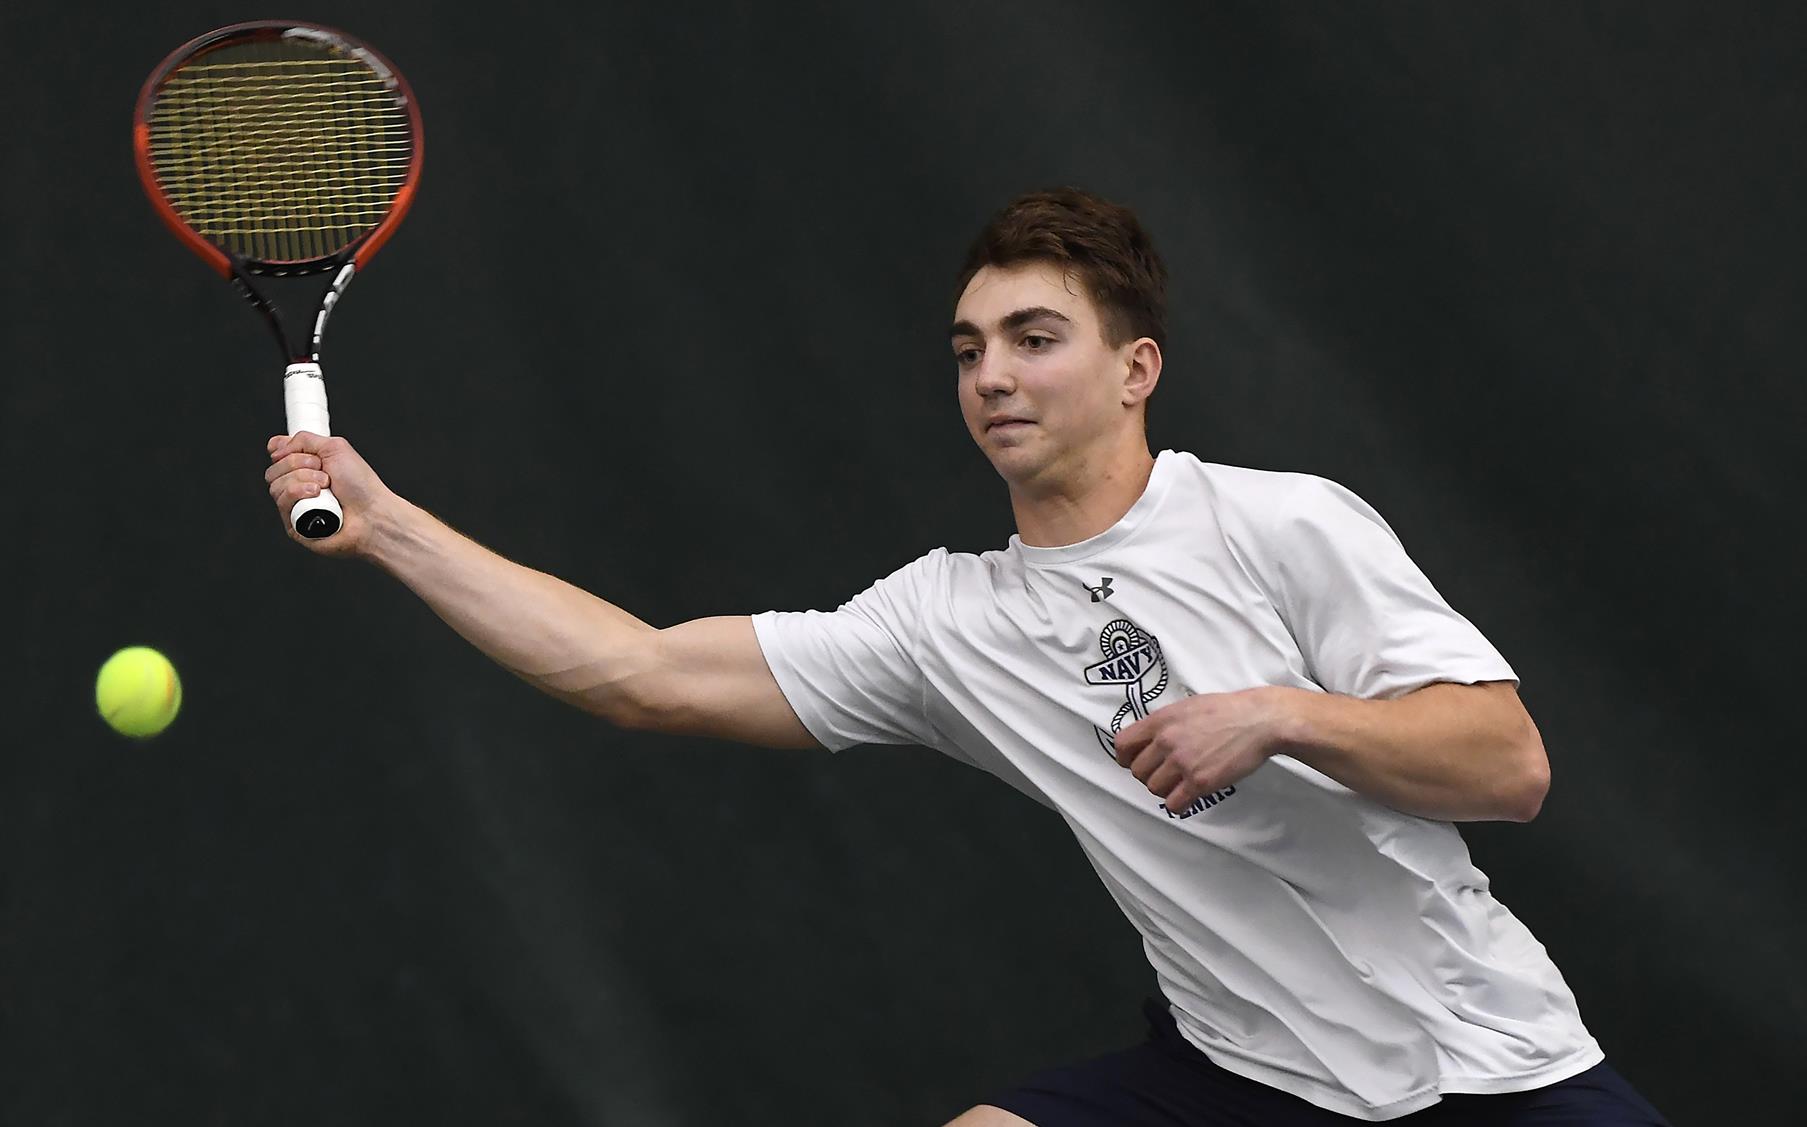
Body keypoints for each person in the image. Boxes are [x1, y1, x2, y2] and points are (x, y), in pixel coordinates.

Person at [263, 188, 1669, 1125]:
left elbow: (1507, 766)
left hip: (1473, 1071)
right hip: (1237, 1074)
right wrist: (387, 526)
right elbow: (637, 673)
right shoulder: (947, 620)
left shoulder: (1279, 522)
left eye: (1035, 338)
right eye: (967, 347)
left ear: (1136, 369)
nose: (991, 373)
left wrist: (1279, 717)